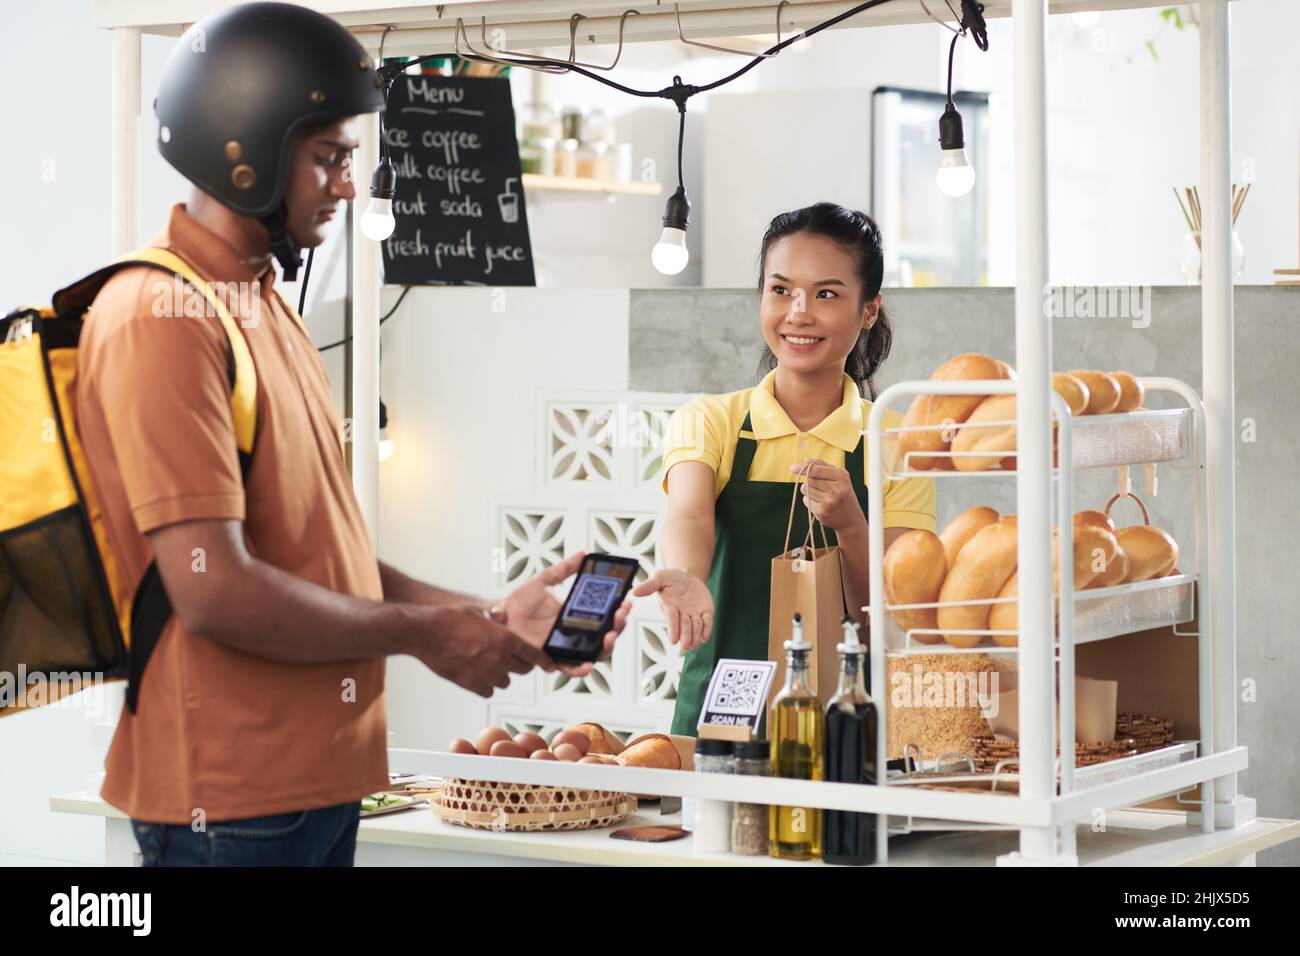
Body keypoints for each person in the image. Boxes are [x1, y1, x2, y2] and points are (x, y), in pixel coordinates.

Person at [75, 3, 627, 867]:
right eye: (329, 158)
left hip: (318, 788)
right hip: (230, 804)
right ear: (243, 147)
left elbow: (321, 558)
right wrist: (428, 636)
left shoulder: (260, 302)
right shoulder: (161, 316)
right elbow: (213, 588)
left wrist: (479, 614)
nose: (346, 185)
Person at [634, 203, 936, 735]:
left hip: (845, 720)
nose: (798, 312)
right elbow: (690, 516)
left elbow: (884, 615)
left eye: (826, 293)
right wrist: (684, 576)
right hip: (720, 714)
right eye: (780, 290)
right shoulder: (712, 421)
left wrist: (850, 525)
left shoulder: (898, 439)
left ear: (868, 310)